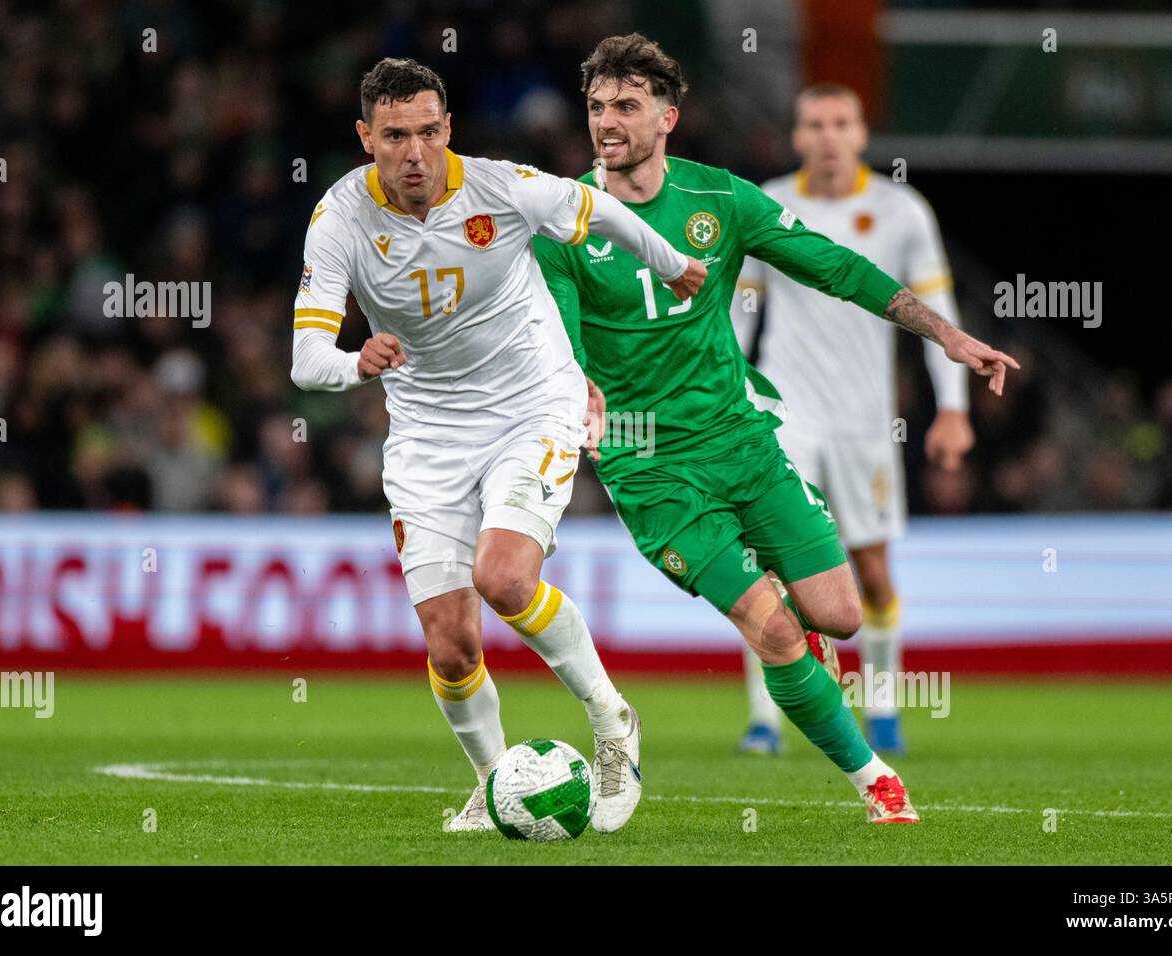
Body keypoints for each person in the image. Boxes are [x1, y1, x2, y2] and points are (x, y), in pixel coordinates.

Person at [534, 34, 1018, 823]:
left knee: (842, 615)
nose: (606, 122)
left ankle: (797, 632)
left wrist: (945, 335)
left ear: (668, 117)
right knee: (775, 632)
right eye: (596, 107)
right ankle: (876, 781)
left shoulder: (722, 201)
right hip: (649, 463)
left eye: (626, 105)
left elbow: (834, 265)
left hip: (742, 439)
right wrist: (581, 391)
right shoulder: (564, 219)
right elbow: (562, 334)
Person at [290, 57, 706, 832]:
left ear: (447, 129)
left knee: (504, 577)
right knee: (450, 646)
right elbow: (305, 359)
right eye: (393, 137)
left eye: (426, 133)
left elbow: (597, 209)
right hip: (426, 435)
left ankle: (613, 719)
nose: (413, 153)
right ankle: (493, 784)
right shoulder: (341, 216)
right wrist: (355, 363)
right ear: (365, 138)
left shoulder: (499, 187)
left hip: (531, 405)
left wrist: (671, 260)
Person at [731, 83, 975, 756]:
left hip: (868, 425)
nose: (830, 134)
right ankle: (764, 721)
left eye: (842, 121)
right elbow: (741, 312)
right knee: (772, 571)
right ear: (798, 134)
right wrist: (731, 393)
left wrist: (952, 409)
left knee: (870, 572)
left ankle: (885, 707)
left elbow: (939, 314)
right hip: (784, 417)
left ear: (862, 133)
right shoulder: (767, 204)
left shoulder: (901, 211)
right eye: (816, 123)